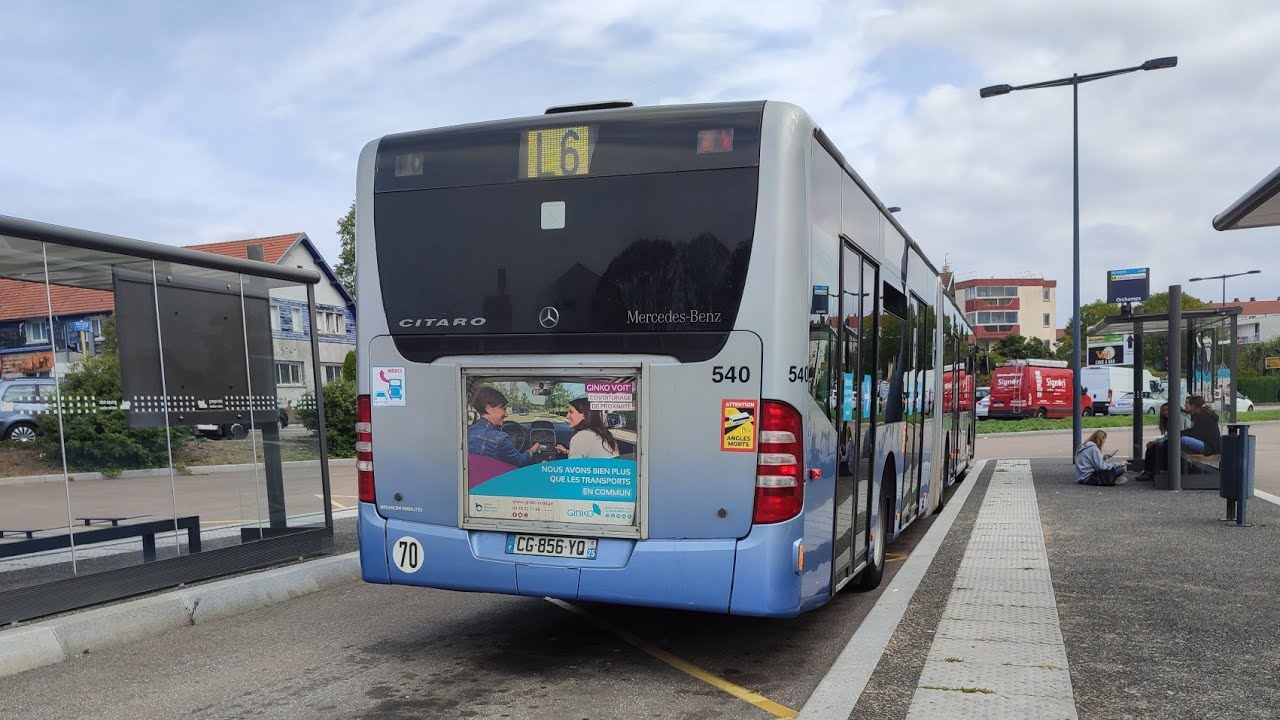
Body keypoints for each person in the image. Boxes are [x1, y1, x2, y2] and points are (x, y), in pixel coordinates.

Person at [467, 386, 541, 466]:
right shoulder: (500, 439)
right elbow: (520, 461)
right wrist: (531, 451)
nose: (506, 414)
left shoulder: (468, 431)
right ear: (488, 408)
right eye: (503, 409)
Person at [555, 397, 620, 459]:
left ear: (584, 415)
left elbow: (573, 468)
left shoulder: (581, 437)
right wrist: (567, 451)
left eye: (571, 412)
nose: (567, 416)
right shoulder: (606, 435)